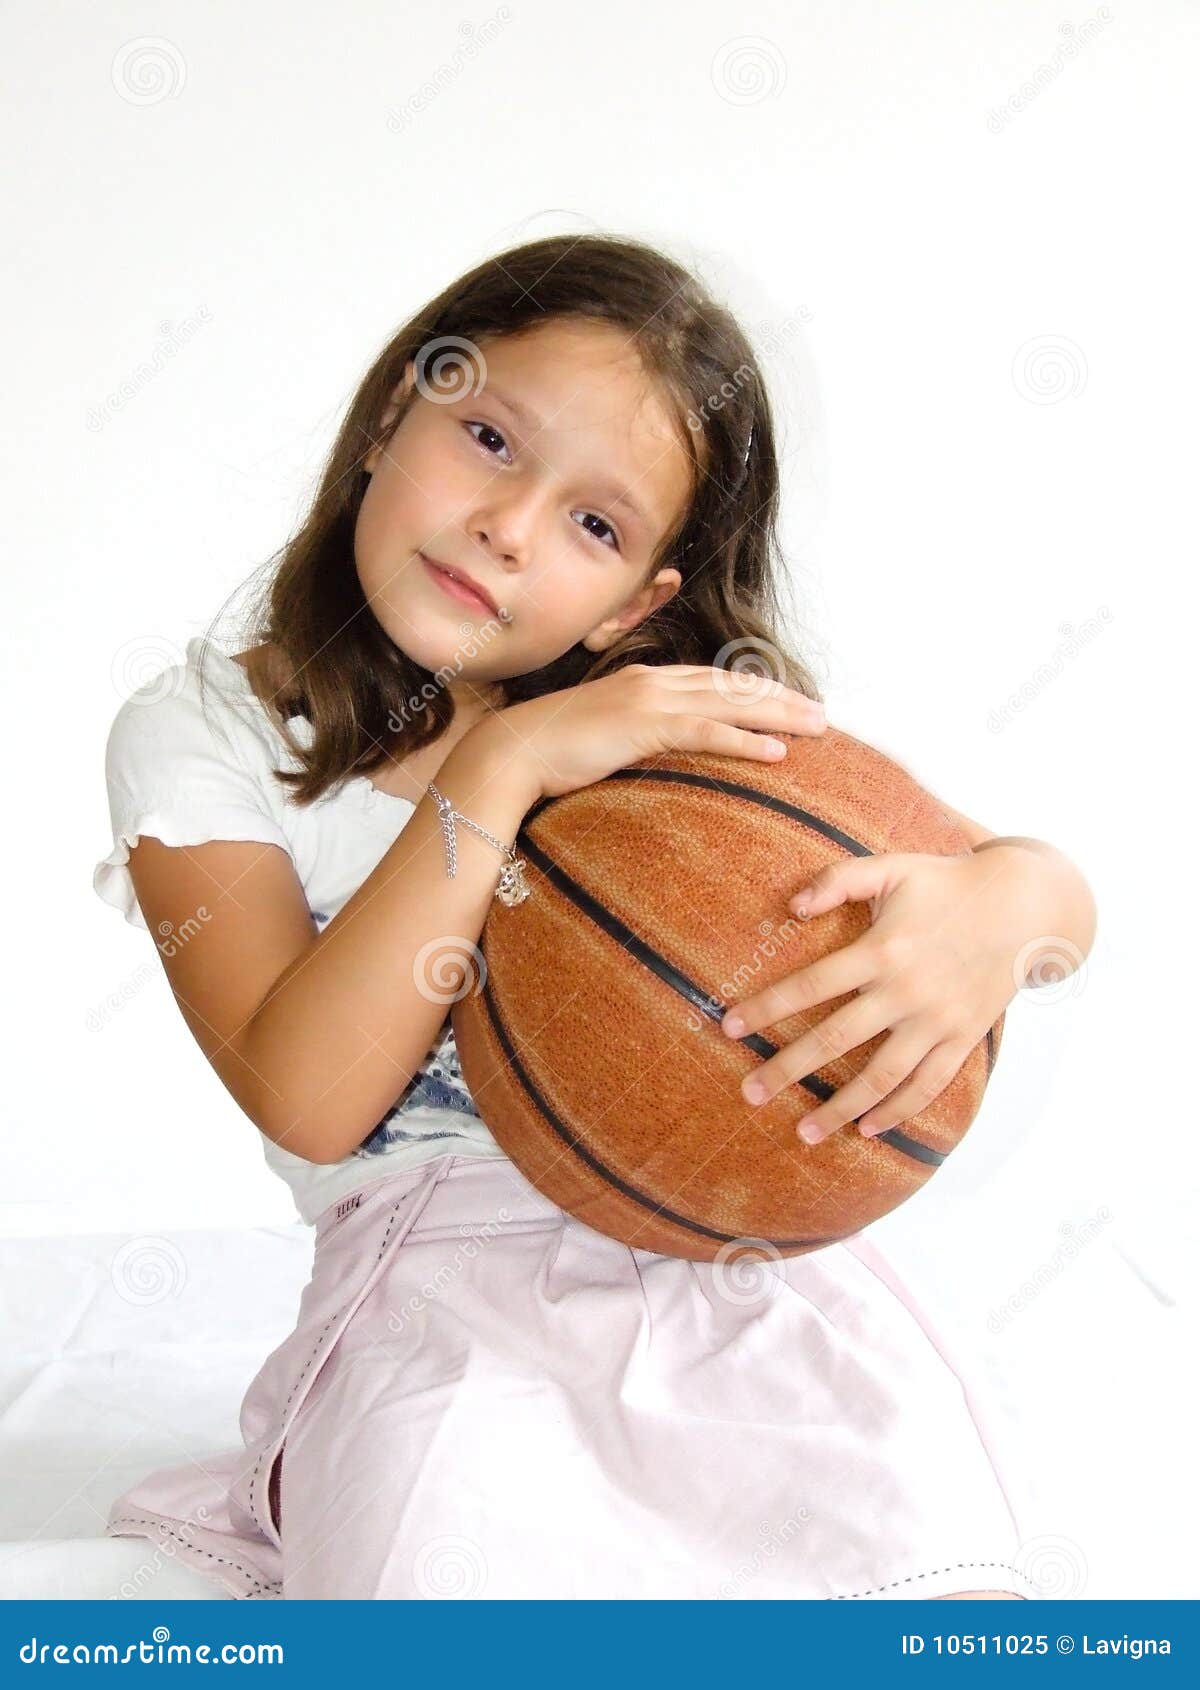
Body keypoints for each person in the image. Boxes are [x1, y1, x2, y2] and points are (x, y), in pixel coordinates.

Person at [92, 233, 1091, 1600]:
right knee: (441, 1566)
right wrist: (502, 767)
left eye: (596, 524)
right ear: (397, 410)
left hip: (733, 1264)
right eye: (491, 437)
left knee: (915, 1559)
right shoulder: (207, 730)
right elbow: (312, 1098)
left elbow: (1040, 900)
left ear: (638, 606)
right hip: (429, 1284)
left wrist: (1002, 903)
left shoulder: (682, 740)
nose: (511, 524)